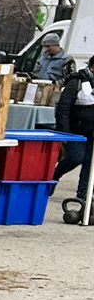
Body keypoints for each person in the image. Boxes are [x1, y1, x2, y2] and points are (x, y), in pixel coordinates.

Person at [54, 58, 94, 216]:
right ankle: (55, 175)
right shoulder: (76, 82)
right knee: (76, 157)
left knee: (90, 164)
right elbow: (63, 108)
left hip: (92, 132)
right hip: (75, 130)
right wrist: (64, 132)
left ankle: (83, 195)